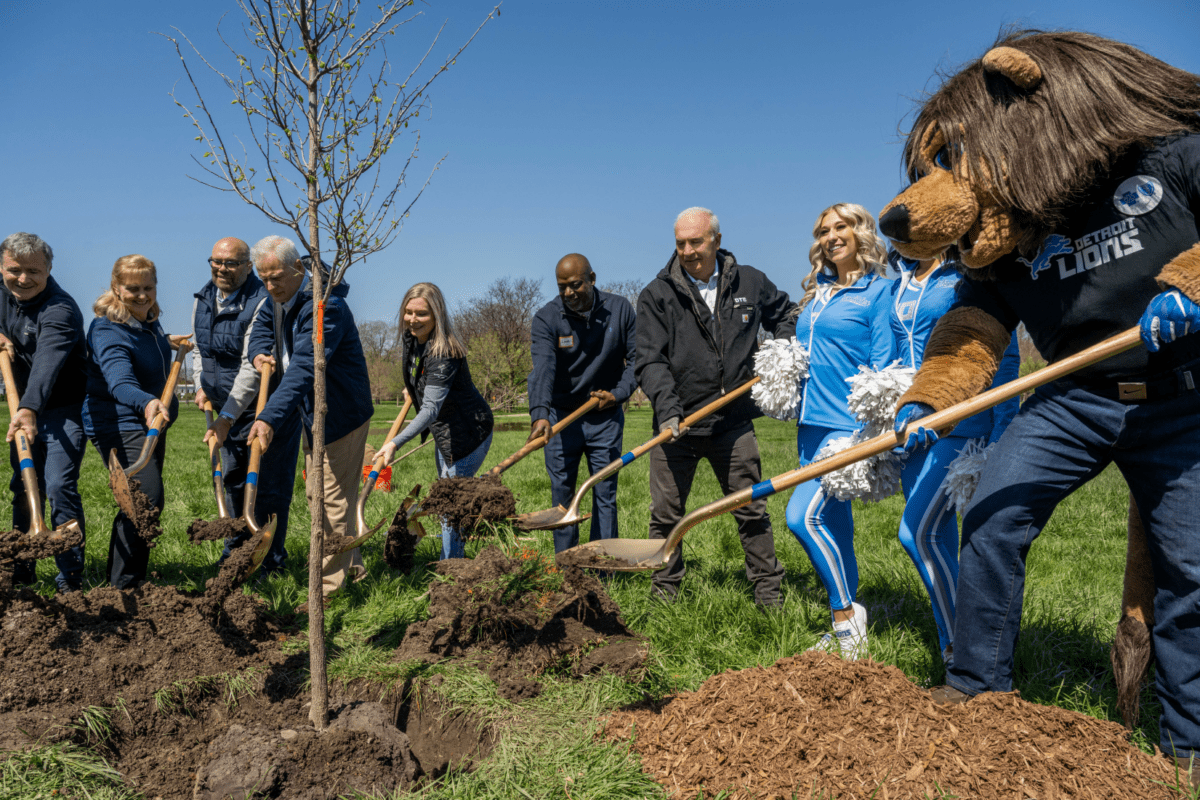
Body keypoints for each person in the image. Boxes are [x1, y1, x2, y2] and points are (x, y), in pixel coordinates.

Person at [635, 207, 794, 607]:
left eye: (696, 241)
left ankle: (768, 595)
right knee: (667, 516)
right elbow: (650, 360)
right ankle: (664, 595)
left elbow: (787, 316)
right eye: (680, 243)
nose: (687, 250)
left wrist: (780, 354)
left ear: (717, 241)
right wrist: (669, 412)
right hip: (677, 427)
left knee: (751, 510)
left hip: (734, 423)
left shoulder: (751, 282)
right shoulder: (657, 295)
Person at [887, 248, 1019, 663]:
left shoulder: (972, 273)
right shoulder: (900, 283)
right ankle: (957, 640)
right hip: (917, 428)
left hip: (967, 428)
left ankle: (967, 648)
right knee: (937, 539)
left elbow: (1005, 355)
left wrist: (1000, 432)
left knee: (917, 533)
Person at [785, 204, 893, 659]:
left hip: (846, 430)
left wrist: (869, 433)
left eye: (841, 227)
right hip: (811, 425)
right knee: (834, 524)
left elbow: (886, 366)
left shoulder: (880, 293)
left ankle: (848, 615)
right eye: (823, 231)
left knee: (801, 517)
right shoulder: (819, 294)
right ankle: (845, 634)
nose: (831, 237)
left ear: (861, 232)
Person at [246, 236, 374, 606]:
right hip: (311, 412)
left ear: (298, 269)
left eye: (276, 278)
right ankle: (353, 569)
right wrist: (258, 354)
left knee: (329, 500)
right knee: (320, 493)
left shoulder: (325, 306)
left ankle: (328, 592)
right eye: (263, 278)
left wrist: (269, 417)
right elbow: (261, 326)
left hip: (340, 414)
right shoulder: (280, 297)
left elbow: (305, 366)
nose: (269, 287)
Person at [192, 236, 299, 577]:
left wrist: (228, 416)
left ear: (247, 266)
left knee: (269, 487)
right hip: (226, 408)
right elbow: (200, 351)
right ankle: (235, 555)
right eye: (216, 261)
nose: (221, 269)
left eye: (231, 263)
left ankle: (271, 561)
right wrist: (200, 387)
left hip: (263, 407)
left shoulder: (261, 299)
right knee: (234, 481)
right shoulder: (204, 298)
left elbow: (251, 367)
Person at [83, 254, 191, 588]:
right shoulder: (107, 329)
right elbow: (119, 381)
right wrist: (147, 402)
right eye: (132, 288)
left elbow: (143, 345)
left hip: (150, 419)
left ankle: (131, 579)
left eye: (148, 287)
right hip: (119, 420)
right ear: (115, 287)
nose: (142, 295)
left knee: (147, 499)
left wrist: (166, 341)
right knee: (143, 499)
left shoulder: (146, 322)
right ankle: (123, 587)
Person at [526, 254, 637, 553]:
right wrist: (539, 414)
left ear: (592, 279)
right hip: (562, 417)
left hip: (605, 415)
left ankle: (603, 565)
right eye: (562, 287)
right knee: (563, 494)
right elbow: (543, 368)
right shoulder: (547, 318)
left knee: (604, 492)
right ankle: (566, 564)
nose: (568, 293)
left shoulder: (620, 310)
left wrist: (618, 394)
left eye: (575, 285)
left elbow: (637, 360)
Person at [377, 283, 493, 559]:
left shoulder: (444, 354)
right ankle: (454, 558)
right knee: (446, 496)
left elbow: (429, 410)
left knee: (449, 503)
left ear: (437, 316)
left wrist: (394, 442)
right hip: (445, 430)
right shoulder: (413, 339)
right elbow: (421, 376)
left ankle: (451, 566)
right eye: (408, 312)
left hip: (467, 433)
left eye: (422, 314)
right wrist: (415, 387)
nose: (413, 320)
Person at [0, 233, 89, 591]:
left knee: (58, 484)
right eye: (14, 270)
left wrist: (28, 407)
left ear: (49, 269)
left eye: (33, 271)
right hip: (23, 407)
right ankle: (20, 572)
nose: (23, 279)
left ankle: (70, 578)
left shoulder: (61, 309)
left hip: (62, 407)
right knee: (22, 485)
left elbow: (47, 362)